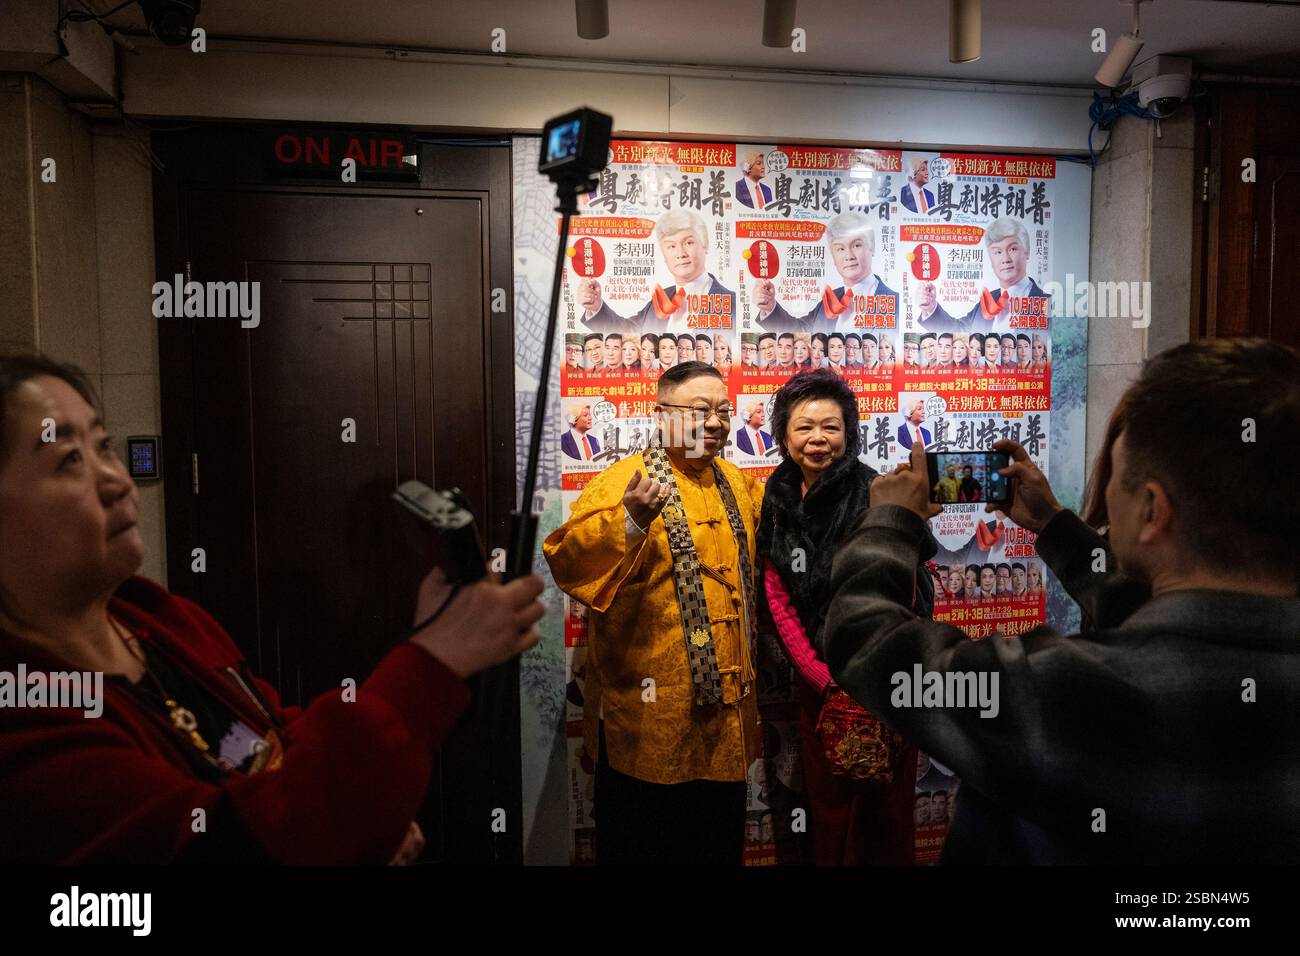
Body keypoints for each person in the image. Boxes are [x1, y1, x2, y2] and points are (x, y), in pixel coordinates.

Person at [0, 355, 544, 864]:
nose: (116, 481)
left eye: (104, 446)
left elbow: (274, 743)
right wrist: (434, 660)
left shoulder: (161, 622)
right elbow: (235, 848)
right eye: (69, 459)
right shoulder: (27, 727)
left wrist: (365, 819)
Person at [824, 338, 1300, 864]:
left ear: (1151, 510)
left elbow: (867, 639)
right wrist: (1053, 526)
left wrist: (893, 522)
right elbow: (1172, 624)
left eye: (1115, 474)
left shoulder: (1066, 693)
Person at [543, 362, 765, 865]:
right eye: (699, 411)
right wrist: (628, 523)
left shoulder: (735, 481)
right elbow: (567, 562)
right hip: (645, 722)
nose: (714, 423)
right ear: (660, 415)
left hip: (725, 721)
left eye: (723, 411)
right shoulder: (624, 481)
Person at [755, 369, 936, 865]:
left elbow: (912, 593)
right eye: (804, 426)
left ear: (849, 433)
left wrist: (869, 676)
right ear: (784, 435)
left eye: (831, 427)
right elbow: (777, 594)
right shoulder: (776, 497)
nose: (818, 439)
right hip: (820, 692)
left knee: (885, 817)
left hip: (883, 686)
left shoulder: (877, 491)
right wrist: (820, 677)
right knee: (829, 813)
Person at [634, 210, 735, 333]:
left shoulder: (732, 303)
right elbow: (623, 328)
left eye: (688, 243)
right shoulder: (657, 303)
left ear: (705, 245)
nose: (680, 254)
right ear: (664, 255)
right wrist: (601, 302)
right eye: (671, 246)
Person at [801, 212, 898, 334]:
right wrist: (770, 307)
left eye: (856, 245)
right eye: (840, 249)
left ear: (872, 246)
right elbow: (796, 329)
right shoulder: (828, 302)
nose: (849, 256)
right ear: (833, 255)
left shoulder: (896, 303)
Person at [961, 217, 1051, 330]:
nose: (1005, 259)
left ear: (1027, 251)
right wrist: (932, 306)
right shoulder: (985, 303)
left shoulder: (1050, 306)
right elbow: (956, 329)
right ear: (990, 258)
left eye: (1012, 249)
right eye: (998, 252)